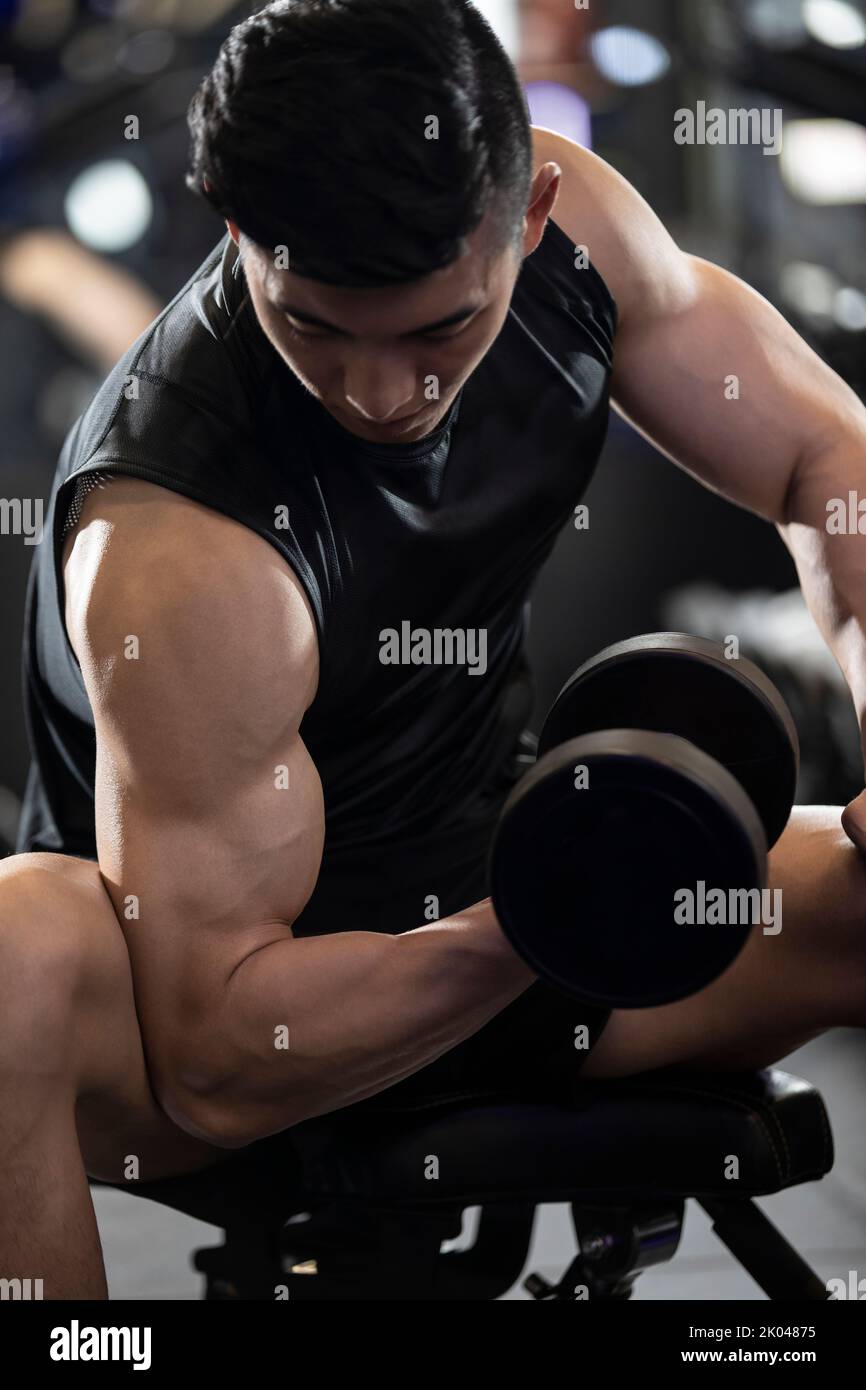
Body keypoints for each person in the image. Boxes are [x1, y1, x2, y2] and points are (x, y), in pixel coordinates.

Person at [4, 0, 866, 1300]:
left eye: (437, 331)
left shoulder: (578, 234)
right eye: (316, 327)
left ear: (526, 212)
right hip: (196, 1008)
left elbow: (821, 456)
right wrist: (547, 917)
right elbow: (223, 1057)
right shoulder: (179, 551)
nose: (378, 392)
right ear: (240, 235)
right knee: (15, 947)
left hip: (502, 889)